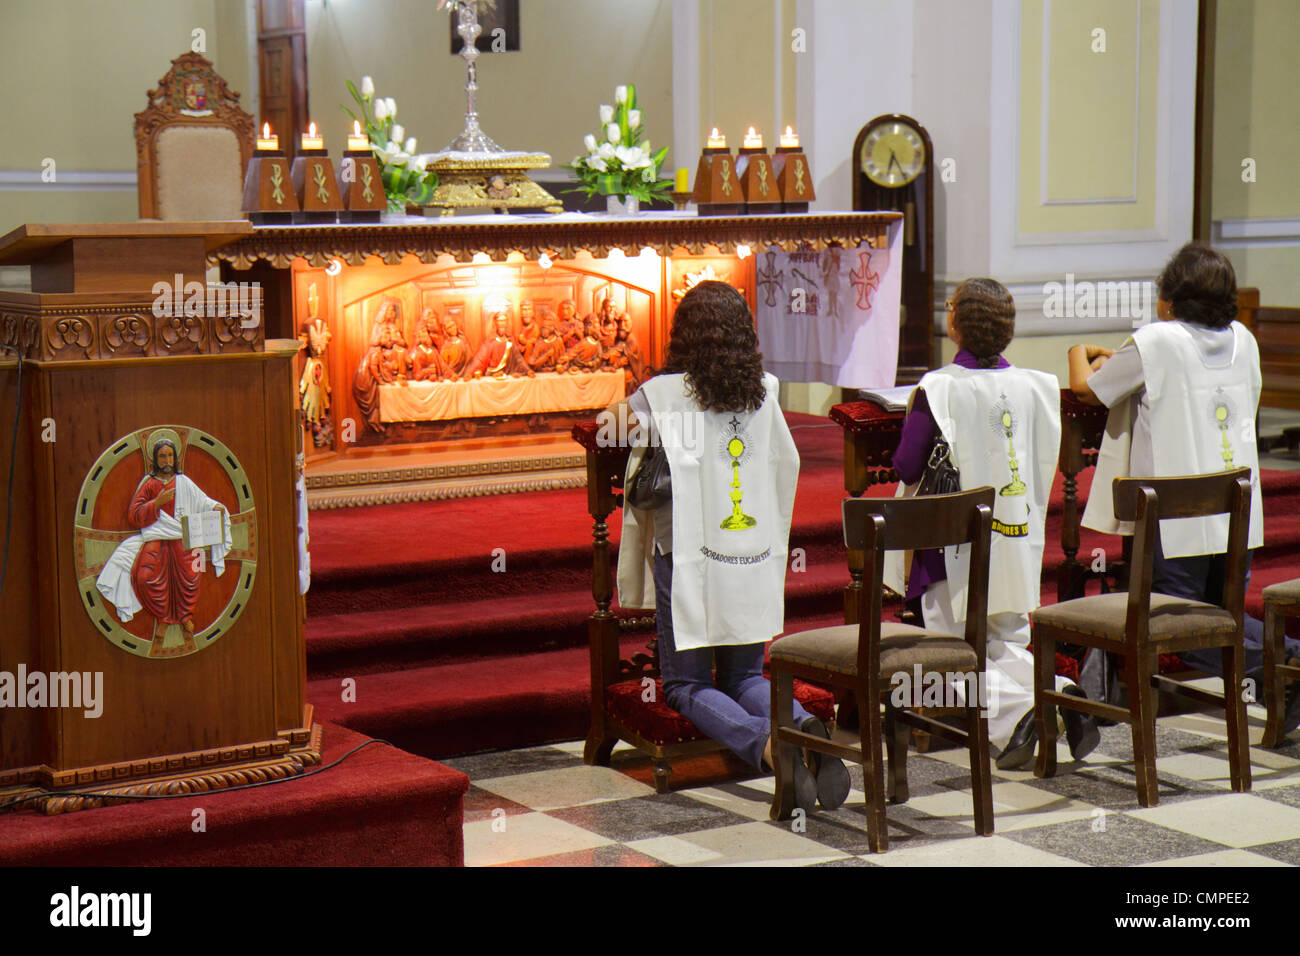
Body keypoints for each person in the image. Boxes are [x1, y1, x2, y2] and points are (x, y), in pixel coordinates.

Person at [614, 280, 850, 812]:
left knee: (683, 686)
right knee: (745, 674)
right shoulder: (764, 389)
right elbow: (785, 463)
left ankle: (768, 746)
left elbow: (619, 431)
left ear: (683, 336)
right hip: (747, 553)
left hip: (689, 557)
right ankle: (808, 729)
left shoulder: (663, 395)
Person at [1069, 242, 1300, 738]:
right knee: (1222, 617)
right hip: (1235, 510)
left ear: (1171, 299)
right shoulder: (1244, 339)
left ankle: (1292, 664)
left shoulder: (1156, 341)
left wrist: (1078, 353)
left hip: (1174, 520)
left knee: (1179, 623)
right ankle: (1285, 676)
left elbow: (1088, 388)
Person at [890, 277, 1098, 769]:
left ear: (958, 325)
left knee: (949, 654)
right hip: (1014, 539)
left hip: (952, 548)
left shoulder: (939, 389)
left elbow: (905, 467)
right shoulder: (1036, 385)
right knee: (1003, 642)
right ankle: (1062, 694)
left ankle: (1017, 715)